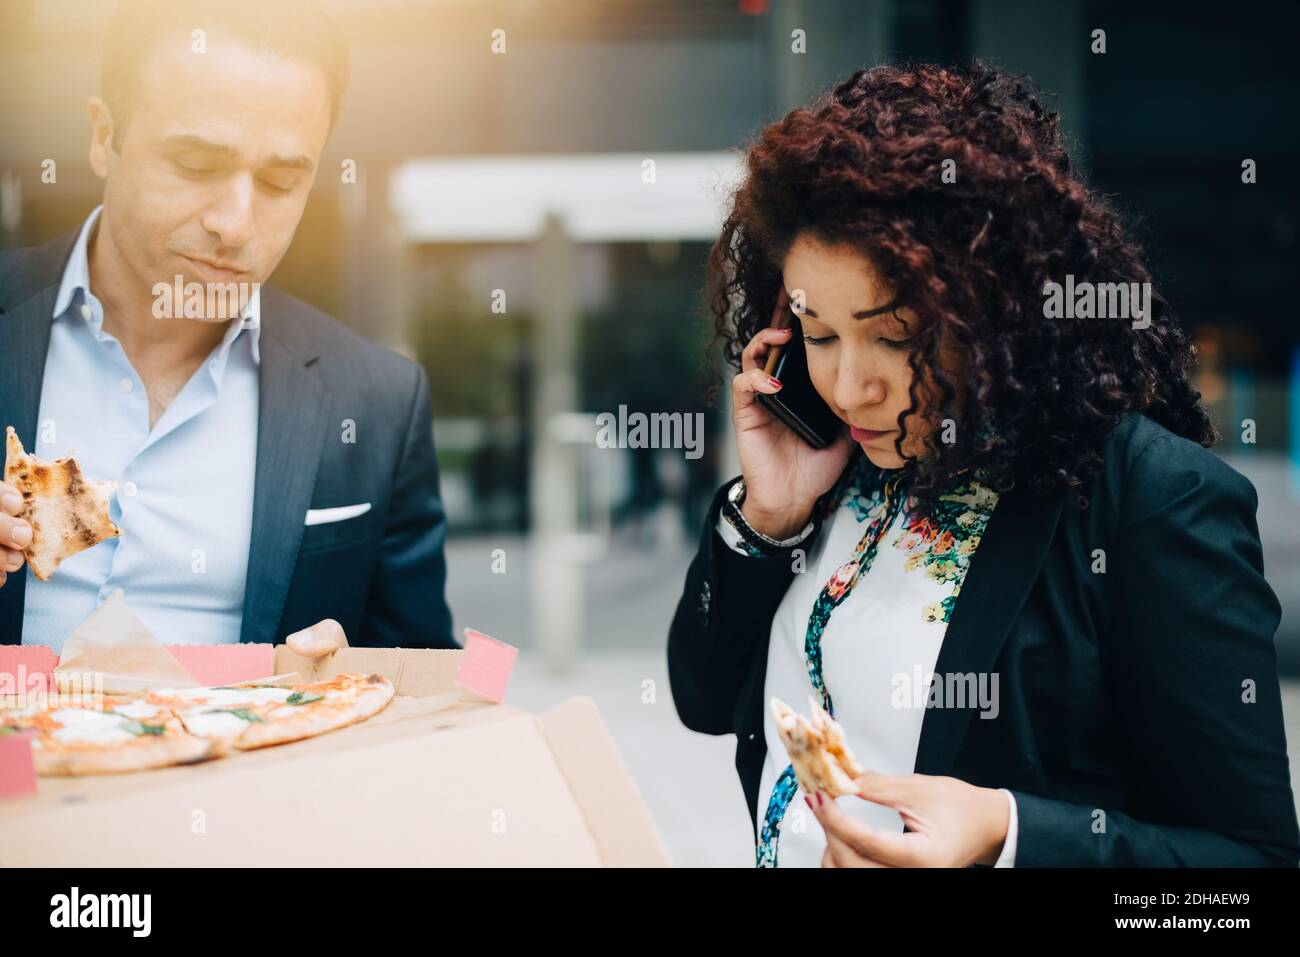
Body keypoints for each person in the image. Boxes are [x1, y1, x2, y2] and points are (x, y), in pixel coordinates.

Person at [667, 61, 1299, 867]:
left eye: (896, 335)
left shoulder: (1150, 500)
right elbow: (703, 698)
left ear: (994, 308)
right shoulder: (834, 462)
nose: (849, 384)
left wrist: (1010, 836)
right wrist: (767, 518)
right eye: (818, 333)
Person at [0, 0, 455, 652]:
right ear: (104, 137)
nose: (236, 224)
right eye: (196, 165)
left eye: (280, 180)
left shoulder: (379, 403)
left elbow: (427, 701)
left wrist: (355, 689)